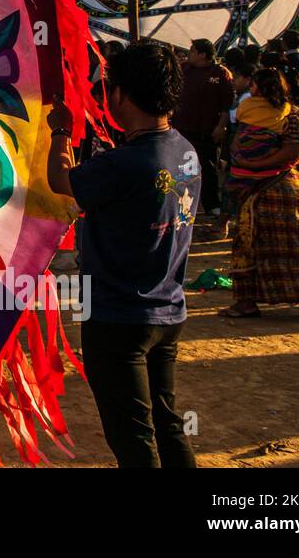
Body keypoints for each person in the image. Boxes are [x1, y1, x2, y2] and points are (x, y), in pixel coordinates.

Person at [46, 42, 198, 469]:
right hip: (168, 311)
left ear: (119, 96)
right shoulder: (184, 150)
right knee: (167, 424)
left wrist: (60, 130)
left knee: (132, 434)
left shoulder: (125, 163)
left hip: (117, 317)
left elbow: (61, 180)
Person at [221, 68, 299, 318]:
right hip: (267, 189)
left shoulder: (291, 115)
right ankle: (247, 301)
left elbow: (292, 152)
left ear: (260, 87)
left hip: (277, 187)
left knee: (288, 245)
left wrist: (254, 165)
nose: (251, 89)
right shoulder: (266, 112)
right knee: (253, 243)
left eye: (253, 85)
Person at [172, 38, 233, 215]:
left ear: (202, 55)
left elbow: (226, 106)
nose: (189, 54)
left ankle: (212, 204)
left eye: (192, 51)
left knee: (208, 168)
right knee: (182, 168)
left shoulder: (221, 73)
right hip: (182, 128)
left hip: (207, 129)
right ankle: (183, 203)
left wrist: (221, 127)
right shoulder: (185, 69)